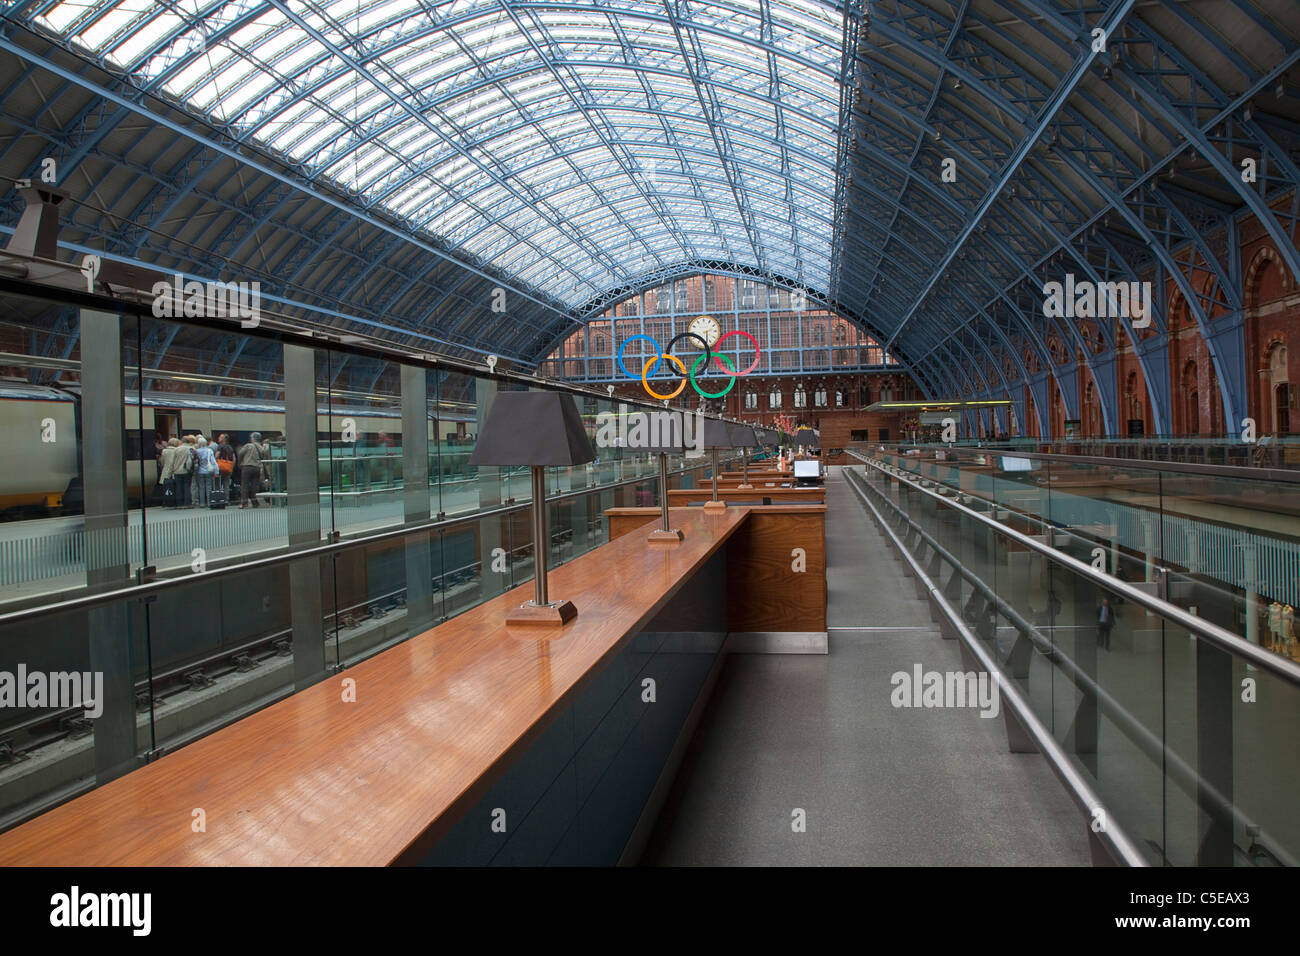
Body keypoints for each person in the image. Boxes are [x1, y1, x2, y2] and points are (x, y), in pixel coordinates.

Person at [237, 432, 269, 508]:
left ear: (252, 438)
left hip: (247, 467)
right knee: (255, 485)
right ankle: (255, 502)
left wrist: (240, 462)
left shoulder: (248, 446)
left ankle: (244, 503)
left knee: (245, 485)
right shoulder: (261, 448)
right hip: (257, 467)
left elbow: (240, 453)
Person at [194, 436, 217, 507]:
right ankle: (209, 502)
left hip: (200, 471)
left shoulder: (197, 451)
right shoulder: (209, 451)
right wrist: (216, 471)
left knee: (201, 487)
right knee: (209, 487)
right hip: (208, 471)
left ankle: (202, 503)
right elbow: (213, 462)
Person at [173, 435, 195, 507]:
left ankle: (179, 503)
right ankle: (187, 503)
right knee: (187, 486)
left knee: (179, 487)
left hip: (177, 471)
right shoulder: (192, 448)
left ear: (182, 441)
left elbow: (172, 461)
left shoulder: (176, 449)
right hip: (187, 471)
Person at [159, 437, 180, 507]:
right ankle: (174, 500)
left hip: (166, 469)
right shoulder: (177, 450)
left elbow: (162, 461)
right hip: (175, 470)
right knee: (175, 486)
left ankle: (165, 501)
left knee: (165, 487)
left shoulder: (164, 451)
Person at [214, 432, 235, 498]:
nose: (218, 438)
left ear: (224, 439)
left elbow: (216, 456)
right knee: (226, 485)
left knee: (218, 484)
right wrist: (231, 467)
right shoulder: (230, 447)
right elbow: (234, 458)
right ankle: (226, 499)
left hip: (220, 468)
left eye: (220, 437)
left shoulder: (220, 446)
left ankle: (219, 498)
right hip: (228, 468)